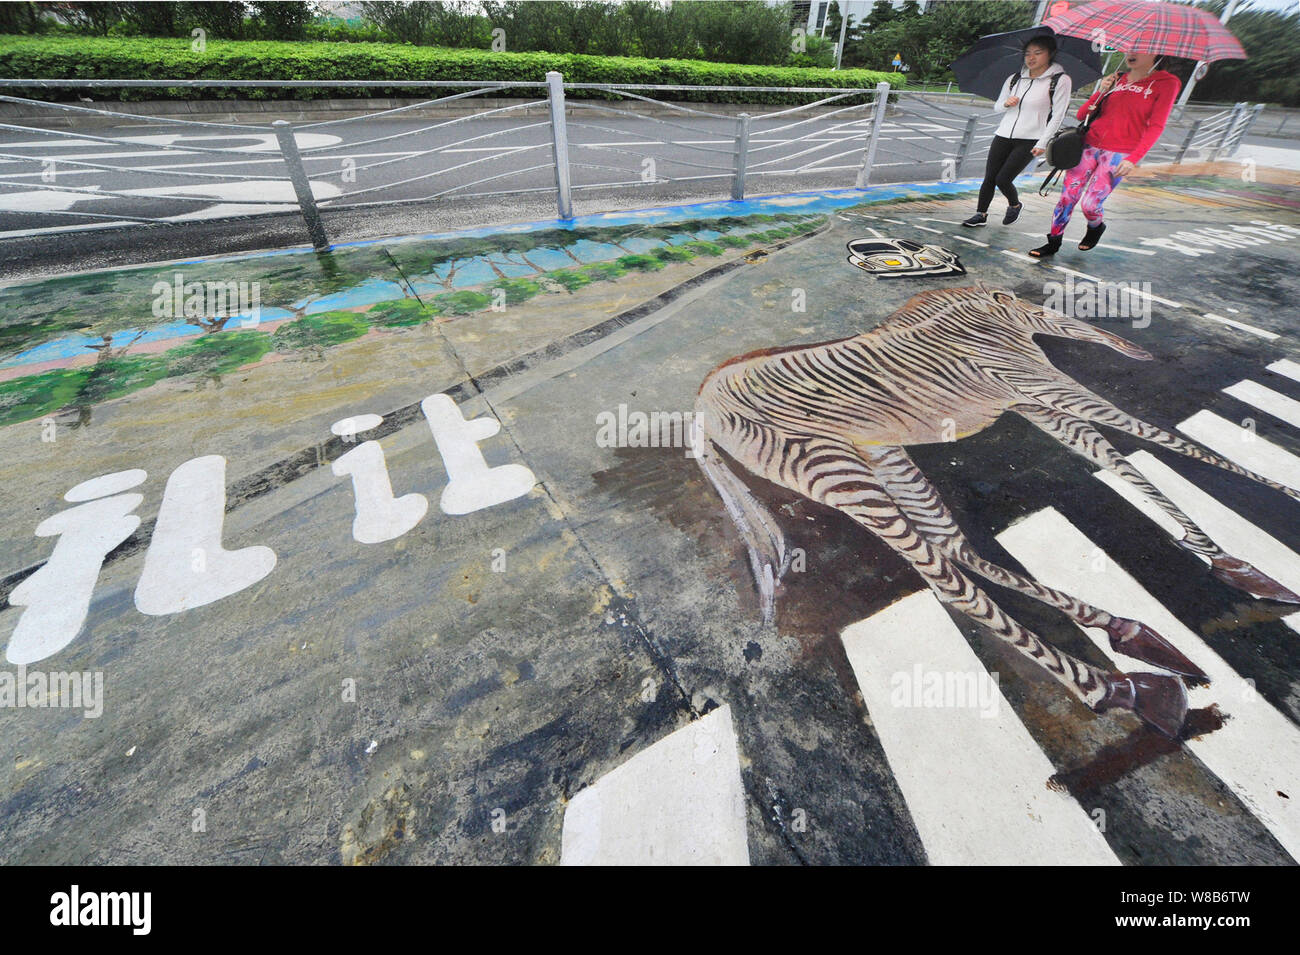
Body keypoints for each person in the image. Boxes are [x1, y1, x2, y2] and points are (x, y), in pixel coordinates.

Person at [1029, 51, 1181, 256]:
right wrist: (1101, 90)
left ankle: (1095, 227)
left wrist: (1133, 159)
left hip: (1119, 153)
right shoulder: (1118, 78)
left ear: (1157, 54)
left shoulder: (1167, 83)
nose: (1132, 53)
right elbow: (1083, 114)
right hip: (1088, 146)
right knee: (1067, 198)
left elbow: (1156, 126)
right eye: (1131, 48)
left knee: (1090, 204)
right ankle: (1053, 242)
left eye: (1140, 49)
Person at [962, 35, 1072, 229]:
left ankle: (1015, 204)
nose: (1031, 58)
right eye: (1028, 53)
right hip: (1004, 134)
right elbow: (998, 106)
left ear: (1050, 54)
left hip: (1031, 138)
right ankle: (981, 214)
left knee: (1003, 179)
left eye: (1038, 53)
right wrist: (1006, 103)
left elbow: (1058, 115)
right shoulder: (1014, 78)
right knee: (989, 178)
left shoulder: (1060, 80)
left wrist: (1043, 142)